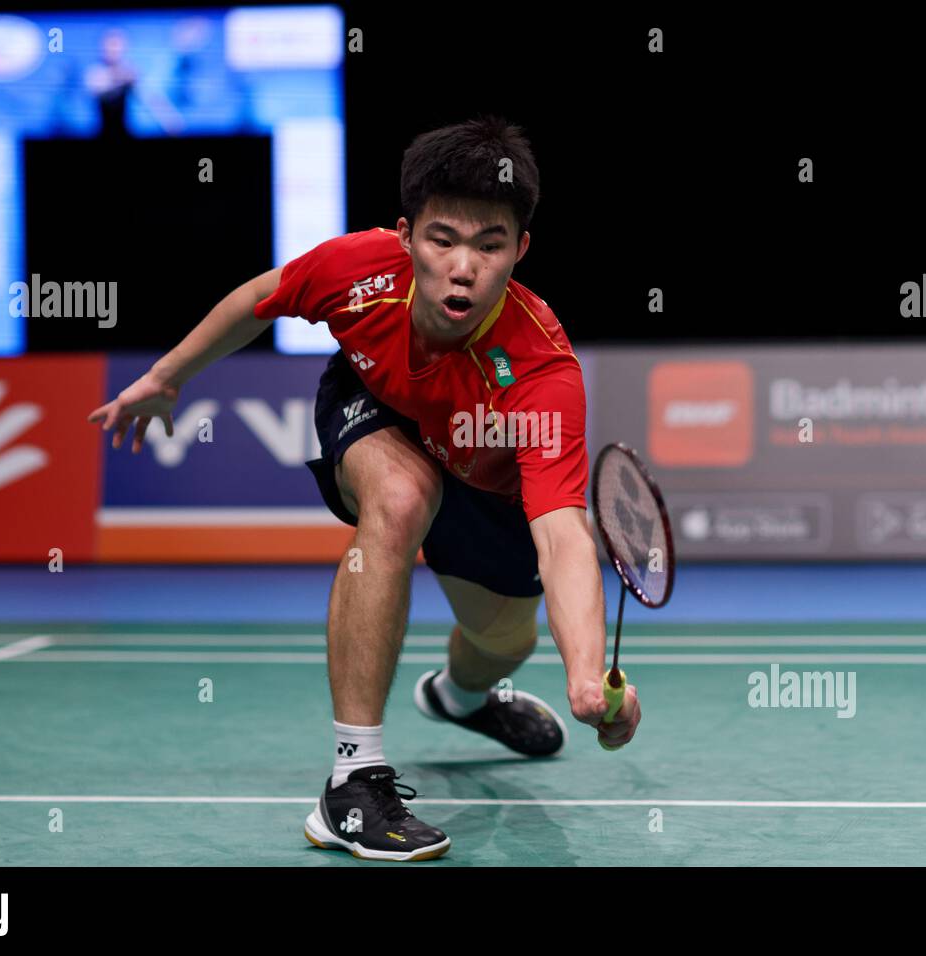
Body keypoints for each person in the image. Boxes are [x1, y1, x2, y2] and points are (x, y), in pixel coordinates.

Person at [87, 116, 641, 861]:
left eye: (490, 244)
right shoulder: (359, 271)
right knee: (401, 498)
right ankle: (353, 780)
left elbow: (562, 530)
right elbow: (259, 298)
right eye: (443, 239)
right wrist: (164, 377)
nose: (463, 267)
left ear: (521, 251)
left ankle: (462, 697)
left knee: (502, 638)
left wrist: (583, 676)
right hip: (375, 406)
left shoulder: (541, 373)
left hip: (485, 478)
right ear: (407, 235)